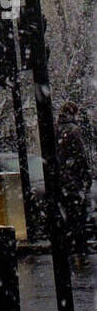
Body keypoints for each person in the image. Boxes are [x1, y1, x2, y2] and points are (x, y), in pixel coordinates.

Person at [57, 102, 92, 265]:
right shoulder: (73, 130)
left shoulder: (55, 129)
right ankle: (80, 251)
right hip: (73, 182)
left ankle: (67, 251)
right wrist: (86, 178)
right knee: (79, 219)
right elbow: (81, 157)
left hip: (60, 183)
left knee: (66, 220)